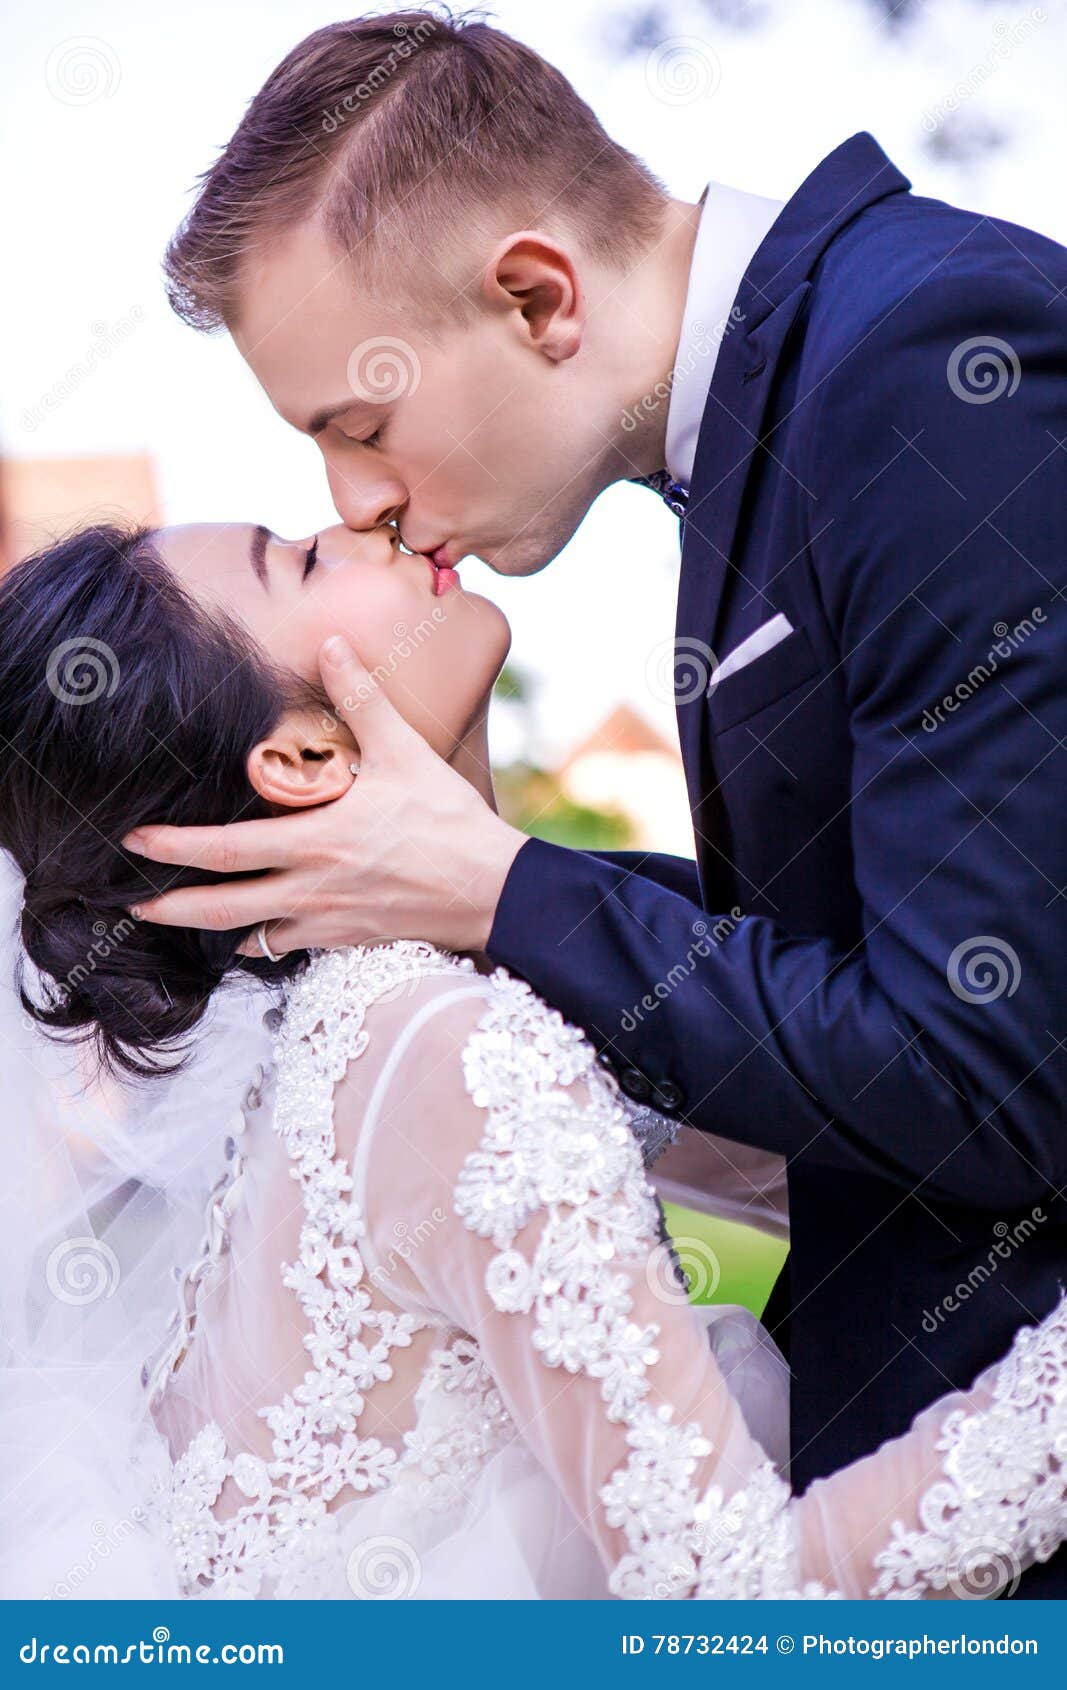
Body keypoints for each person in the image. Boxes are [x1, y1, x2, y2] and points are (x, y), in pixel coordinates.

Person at [135, 13, 1067, 1594]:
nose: (353, 499)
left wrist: (504, 890)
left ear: (533, 294)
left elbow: (984, 1059)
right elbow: (850, 939)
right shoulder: (793, 411)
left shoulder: (920, 364)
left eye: (357, 426)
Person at [0, 520, 1064, 1601]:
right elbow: (731, 1589)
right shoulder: (436, 1045)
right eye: (305, 561)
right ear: (302, 758)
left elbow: (831, 1135)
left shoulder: (376, 1017)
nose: (360, 522)